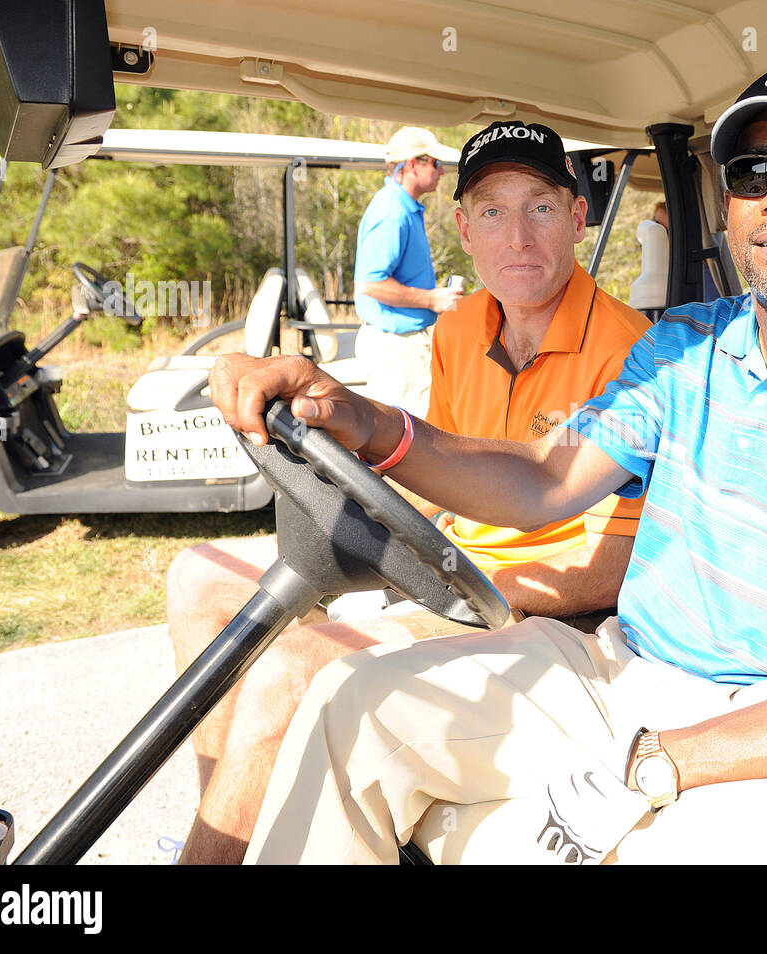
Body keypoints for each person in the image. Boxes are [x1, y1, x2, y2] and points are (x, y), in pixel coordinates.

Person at [218, 57, 767, 865]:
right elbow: (545, 477)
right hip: (622, 672)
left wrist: (666, 760)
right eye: (753, 170)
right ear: (729, 201)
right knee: (348, 701)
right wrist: (359, 418)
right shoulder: (685, 348)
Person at [166, 119, 651, 864]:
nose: (517, 236)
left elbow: (617, 565)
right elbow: (441, 479)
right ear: (462, 227)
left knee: (290, 673)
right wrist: (353, 513)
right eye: (492, 211)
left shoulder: (635, 354)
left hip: (541, 614)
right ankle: (227, 829)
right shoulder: (460, 329)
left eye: (541, 207)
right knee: (199, 579)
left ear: (578, 218)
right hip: (450, 574)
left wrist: (460, 583)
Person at [353, 126, 463, 415]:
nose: (441, 172)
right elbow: (370, 284)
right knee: (409, 440)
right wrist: (432, 299)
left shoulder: (402, 207)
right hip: (396, 348)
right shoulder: (393, 212)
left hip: (400, 343)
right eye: (436, 164)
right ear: (413, 165)